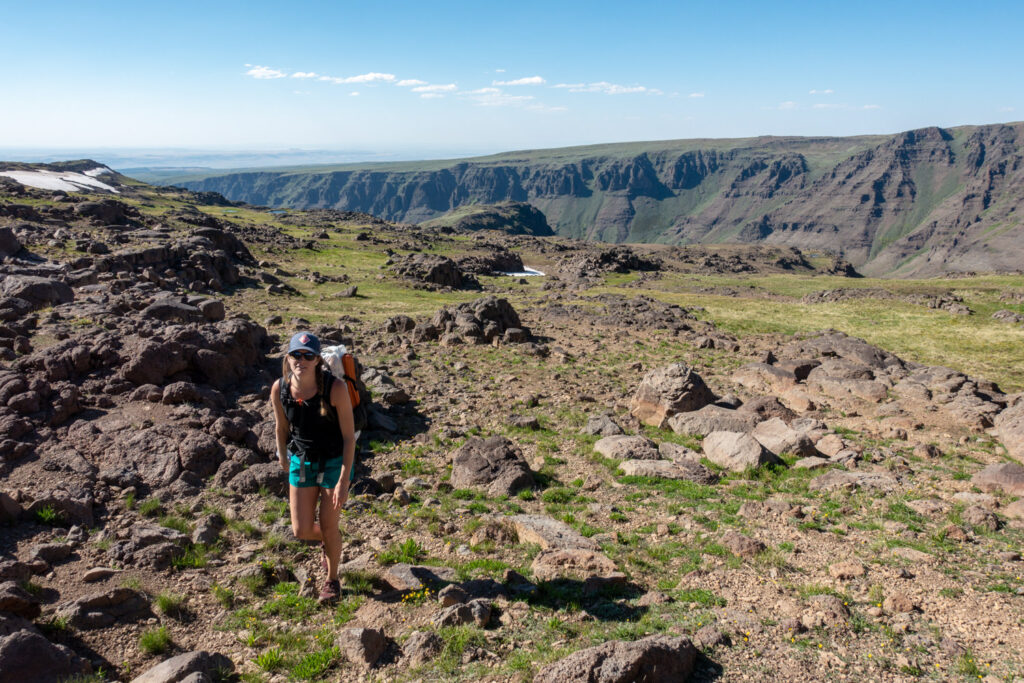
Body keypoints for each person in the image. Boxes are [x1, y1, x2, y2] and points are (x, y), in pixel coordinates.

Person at [270, 331, 356, 603]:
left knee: (329, 524)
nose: (301, 360)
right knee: (302, 530)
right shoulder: (279, 388)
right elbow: (282, 426)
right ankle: (331, 544)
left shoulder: (336, 389)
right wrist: (282, 455)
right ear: (288, 357)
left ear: (318, 359)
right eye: (296, 354)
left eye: (308, 356)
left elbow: (348, 438)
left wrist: (344, 480)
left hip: (333, 462)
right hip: (302, 461)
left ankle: (332, 580)